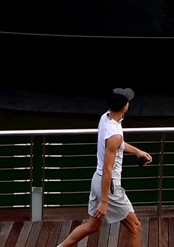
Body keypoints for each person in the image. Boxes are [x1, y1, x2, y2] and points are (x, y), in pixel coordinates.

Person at [58, 88, 152, 247]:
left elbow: (116, 145)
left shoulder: (106, 118)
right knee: (135, 226)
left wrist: (137, 151)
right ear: (124, 107)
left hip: (97, 179)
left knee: (93, 226)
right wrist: (104, 201)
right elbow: (109, 169)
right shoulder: (115, 134)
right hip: (109, 187)